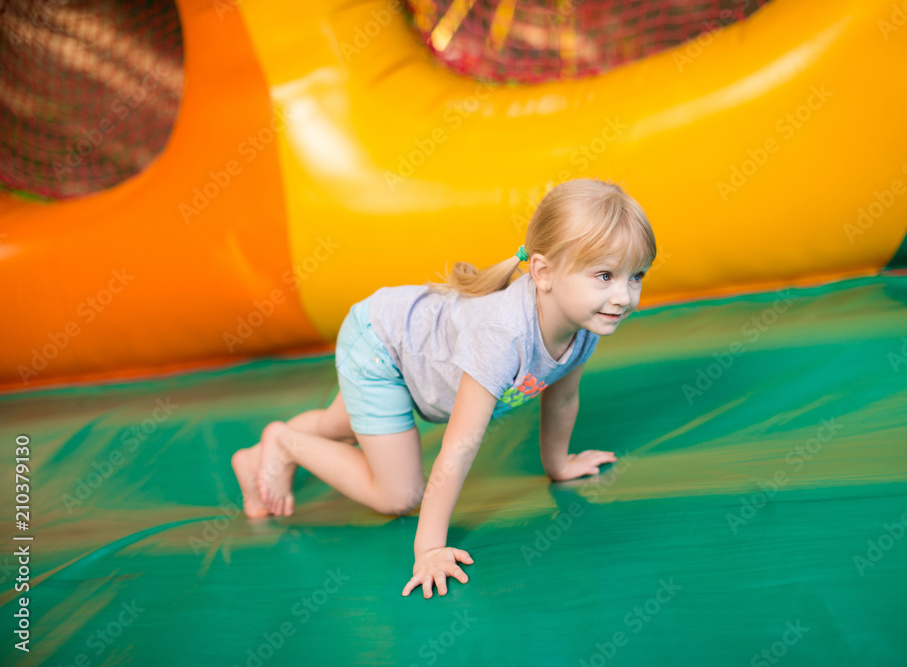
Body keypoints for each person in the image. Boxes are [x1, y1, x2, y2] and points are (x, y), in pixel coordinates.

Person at [230, 177, 657, 598]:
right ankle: (284, 443)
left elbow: (562, 398)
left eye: (634, 276)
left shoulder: (586, 326)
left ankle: (255, 461)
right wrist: (429, 548)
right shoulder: (504, 336)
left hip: (406, 349)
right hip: (382, 345)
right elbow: (459, 446)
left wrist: (558, 464)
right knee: (399, 493)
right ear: (544, 272)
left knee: (336, 425)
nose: (623, 296)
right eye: (604, 276)